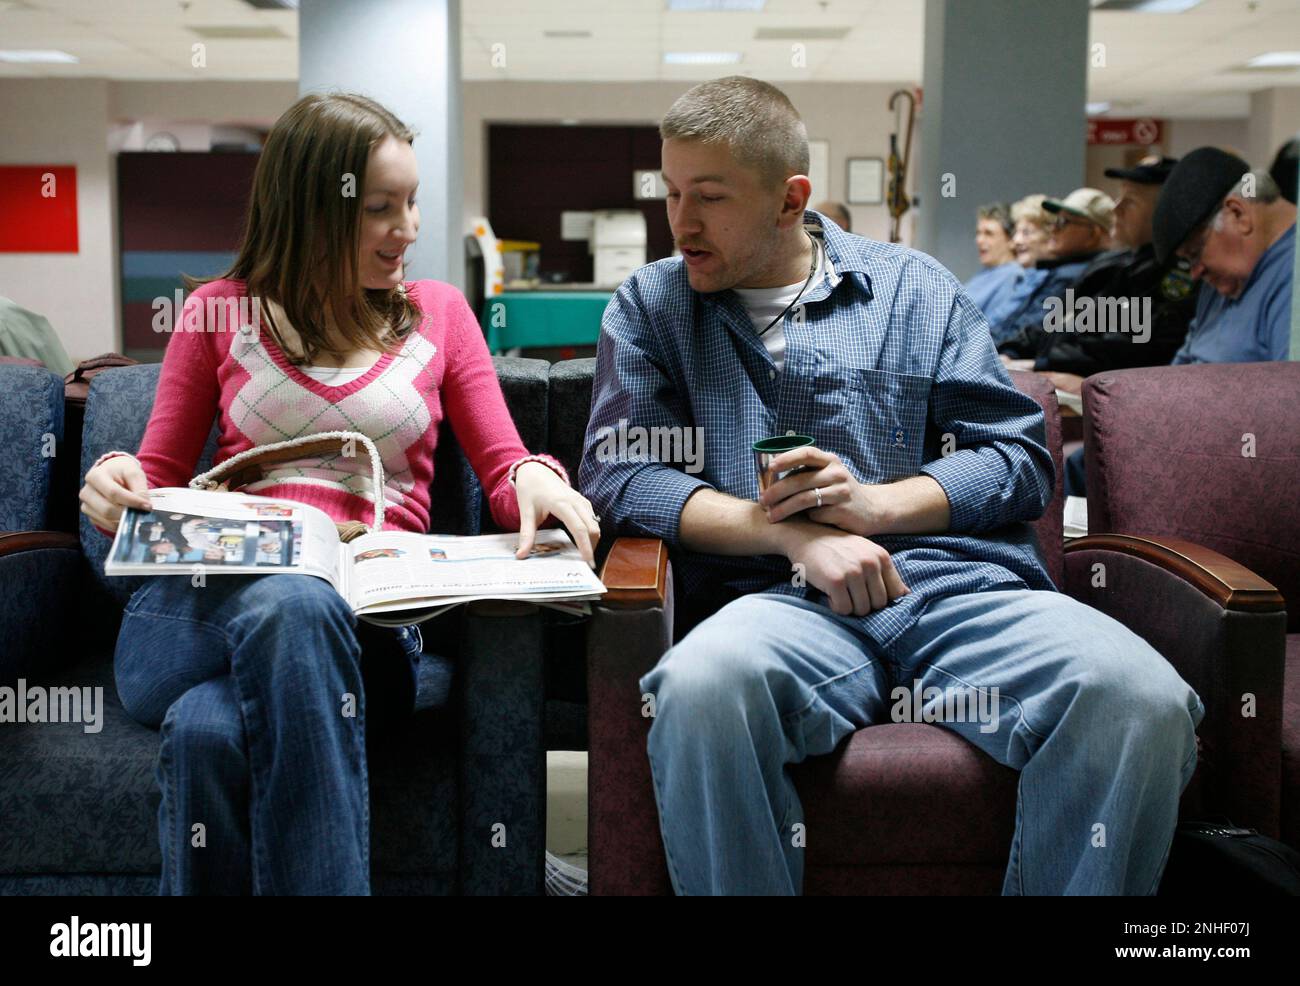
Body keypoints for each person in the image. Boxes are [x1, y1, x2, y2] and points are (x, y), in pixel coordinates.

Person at [579, 75, 1203, 896]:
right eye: (672, 193)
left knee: (1140, 700)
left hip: (956, 589)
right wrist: (792, 536)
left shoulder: (916, 289)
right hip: (776, 603)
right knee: (700, 691)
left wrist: (877, 505)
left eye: (710, 197)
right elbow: (621, 471)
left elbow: (1017, 459)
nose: (682, 223)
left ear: (789, 198)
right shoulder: (654, 306)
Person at [78, 92, 601, 895]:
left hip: (363, 636)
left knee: (211, 731)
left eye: (413, 203)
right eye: (382, 209)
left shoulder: (440, 316)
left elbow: (503, 468)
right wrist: (119, 480)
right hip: (190, 621)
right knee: (288, 598)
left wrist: (533, 473)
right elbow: (157, 478)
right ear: (315, 208)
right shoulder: (219, 314)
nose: (409, 228)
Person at [1007, 156, 1197, 387]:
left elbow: (1130, 347)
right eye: (1119, 198)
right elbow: (1058, 321)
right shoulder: (1118, 263)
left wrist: (1041, 363)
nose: (1116, 208)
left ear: (1164, 212)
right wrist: (1012, 352)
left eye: (1130, 202)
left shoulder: (1175, 274)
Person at [1155, 147, 1296, 364]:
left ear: (1238, 215)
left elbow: (1290, 393)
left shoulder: (1291, 277)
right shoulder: (1226, 281)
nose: (1195, 273)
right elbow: (1181, 368)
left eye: (1195, 253)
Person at [995, 188, 1116, 356]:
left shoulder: (1076, 274)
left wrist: (999, 353)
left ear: (1093, 234)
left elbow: (1035, 330)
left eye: (1063, 223)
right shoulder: (1064, 269)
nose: (1053, 229)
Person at [962, 202, 1020, 317]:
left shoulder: (1013, 278)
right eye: (978, 233)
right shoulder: (988, 273)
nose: (979, 240)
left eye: (989, 234)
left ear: (1011, 240)